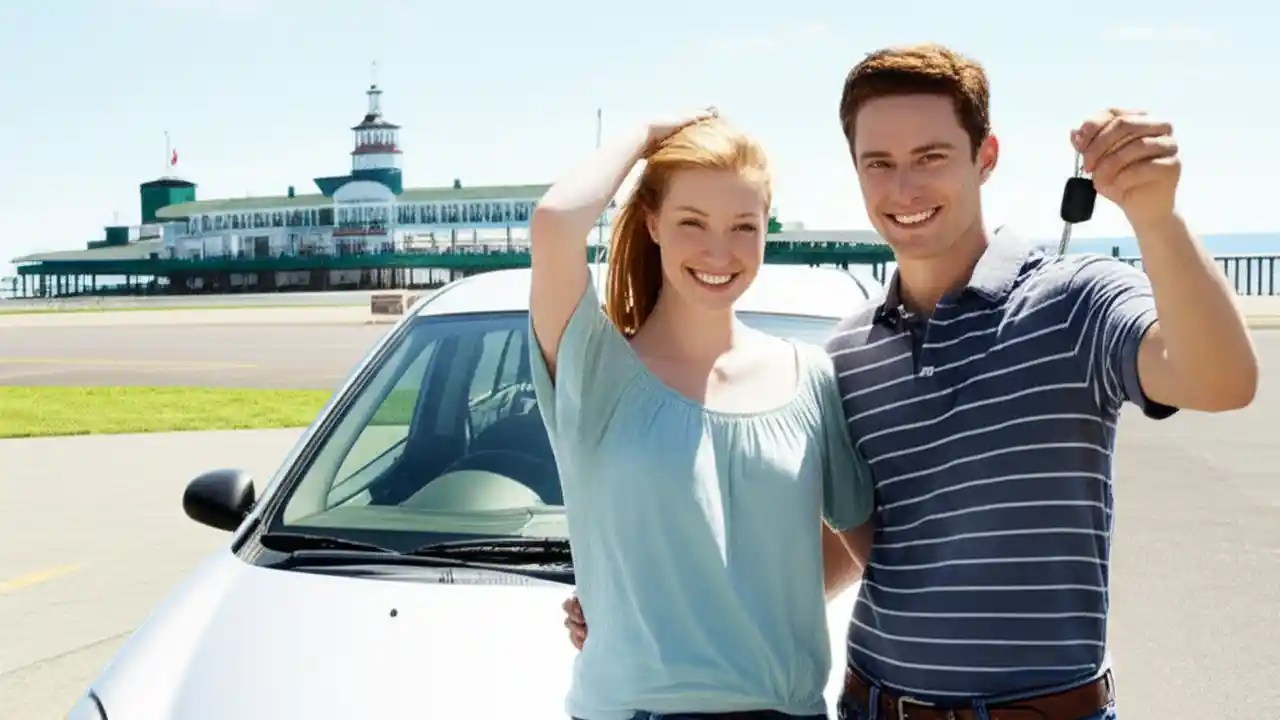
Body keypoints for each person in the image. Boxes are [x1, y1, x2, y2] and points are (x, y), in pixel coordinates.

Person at [563, 45, 1259, 720]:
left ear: (985, 158)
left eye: (930, 158)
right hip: (870, 705)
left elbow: (1220, 379)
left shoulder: (1077, 299)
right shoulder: (846, 354)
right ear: (858, 173)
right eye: (880, 163)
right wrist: (646, 609)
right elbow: (846, 550)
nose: (904, 189)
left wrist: (1155, 215)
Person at [527, 109, 877, 720]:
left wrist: (728, 611)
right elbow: (555, 223)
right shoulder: (594, 369)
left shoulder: (811, 376)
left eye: (744, 225)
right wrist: (646, 136)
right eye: (693, 222)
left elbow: (861, 541)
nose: (721, 250)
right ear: (653, 222)